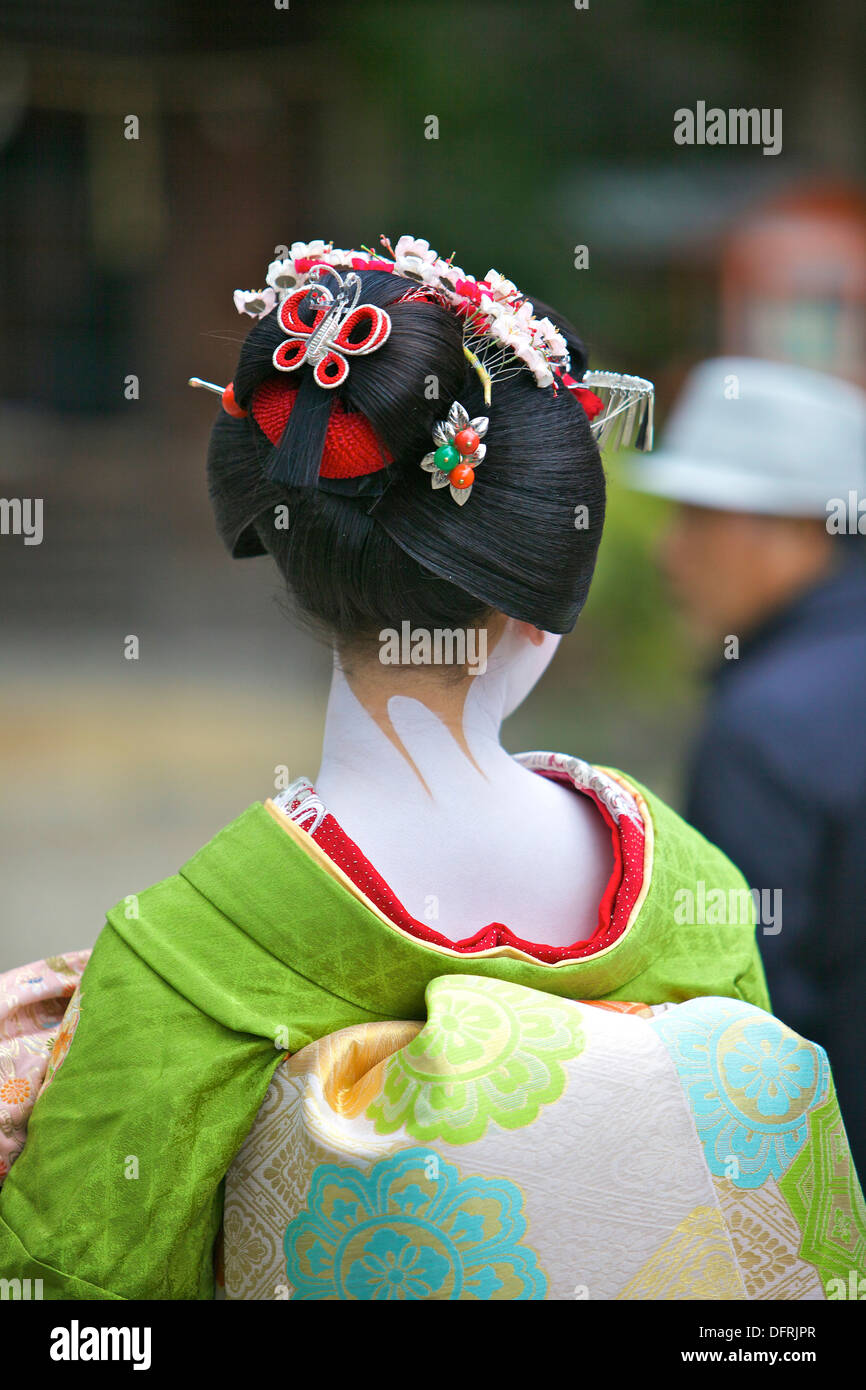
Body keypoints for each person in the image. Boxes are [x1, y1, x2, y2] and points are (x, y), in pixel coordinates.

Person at [0, 244, 862, 1302]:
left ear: (305, 556)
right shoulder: (694, 894)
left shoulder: (188, 952)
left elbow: (67, 1293)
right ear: (542, 604)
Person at [629, 355, 866, 1177]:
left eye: (699, 515)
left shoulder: (763, 729)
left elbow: (747, 1032)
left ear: (798, 528)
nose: (669, 551)